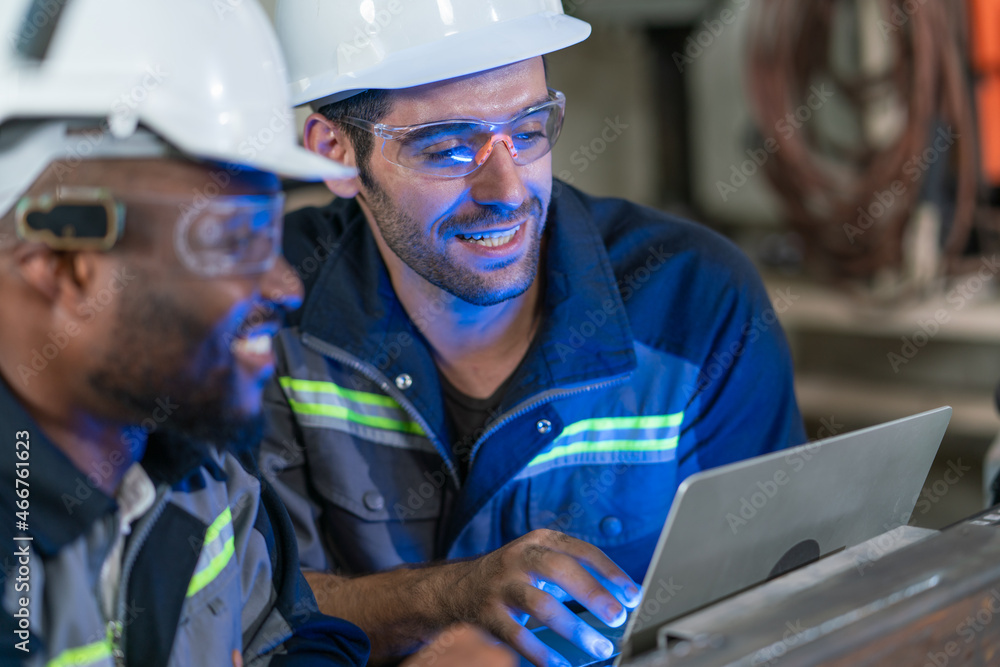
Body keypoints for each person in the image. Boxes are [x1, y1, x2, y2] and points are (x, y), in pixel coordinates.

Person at [260, 0, 806, 664]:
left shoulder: (693, 302)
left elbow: (781, 601)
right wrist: (446, 599)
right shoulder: (267, 308)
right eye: (451, 146)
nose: (508, 188)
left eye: (527, 130)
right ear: (337, 153)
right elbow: (252, 607)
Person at [0, 0, 372, 663]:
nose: (287, 286)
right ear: (62, 262)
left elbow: (298, 638)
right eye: (234, 239)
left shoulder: (194, 462)